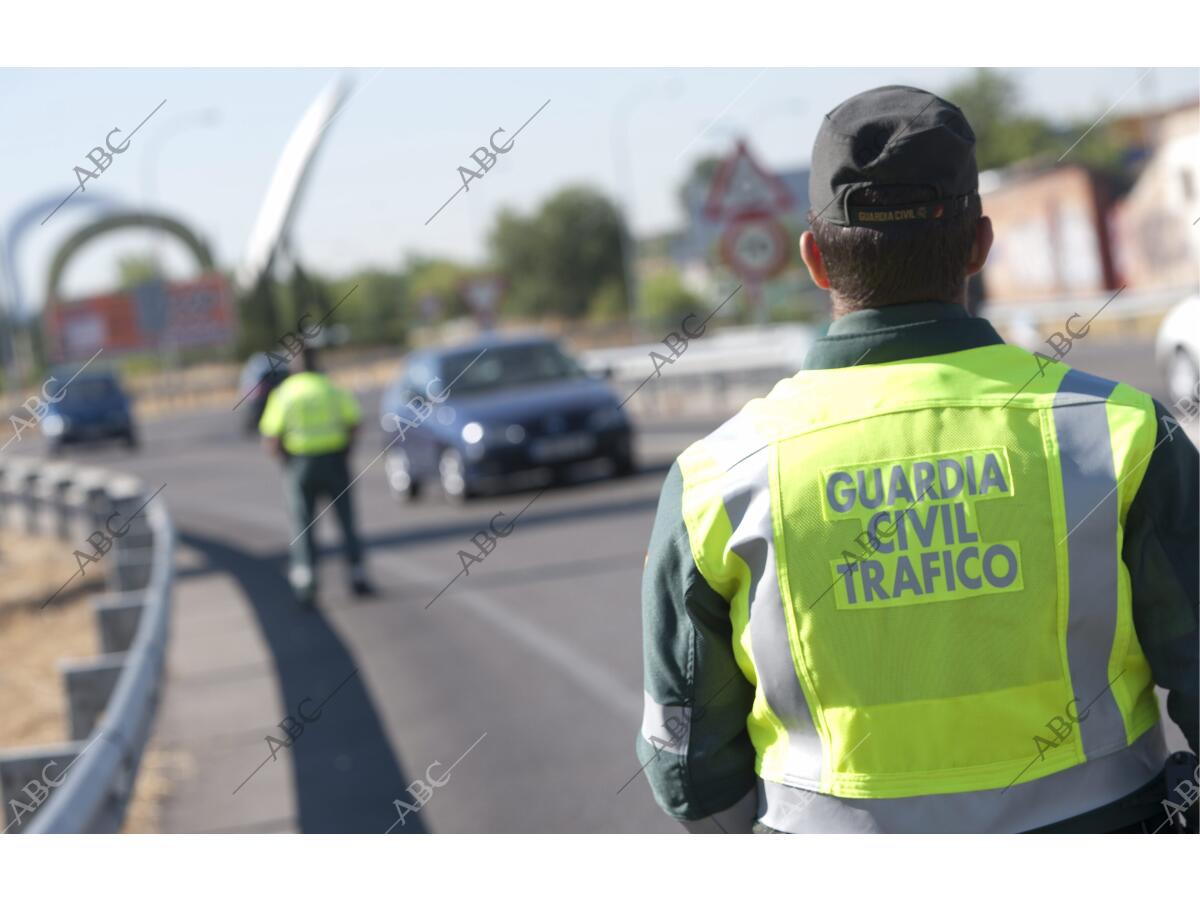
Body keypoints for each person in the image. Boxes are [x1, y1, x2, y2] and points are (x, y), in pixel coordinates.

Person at [637, 85, 1198, 834]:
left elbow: (686, 767)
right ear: (980, 245)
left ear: (815, 259)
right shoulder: (1119, 432)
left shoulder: (717, 478)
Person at [259, 344, 374, 605]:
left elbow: (271, 438)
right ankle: (357, 574)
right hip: (335, 462)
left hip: (299, 465)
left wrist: (286, 462)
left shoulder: (284, 394)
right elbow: (354, 423)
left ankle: (306, 582)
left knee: (302, 525)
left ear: (294, 366)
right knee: (346, 521)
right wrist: (345, 451)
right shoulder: (331, 388)